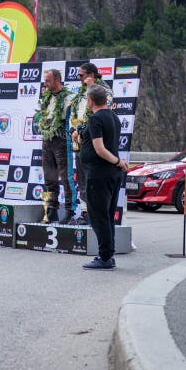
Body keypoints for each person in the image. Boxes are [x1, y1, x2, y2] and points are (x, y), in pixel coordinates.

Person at [75, 84, 128, 269]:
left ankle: (104, 257)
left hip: (99, 175)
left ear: (90, 101)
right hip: (111, 175)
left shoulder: (96, 119)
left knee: (99, 217)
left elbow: (100, 149)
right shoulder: (114, 117)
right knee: (107, 216)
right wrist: (81, 136)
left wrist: (117, 161)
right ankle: (108, 255)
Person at [69, 62, 113, 223]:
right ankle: (85, 213)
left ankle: (96, 214)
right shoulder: (80, 93)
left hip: (94, 141)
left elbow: (101, 112)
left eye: (81, 75)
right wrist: (73, 131)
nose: (79, 78)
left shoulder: (104, 90)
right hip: (79, 143)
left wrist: (91, 87)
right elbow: (73, 114)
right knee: (82, 180)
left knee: (93, 180)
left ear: (91, 75)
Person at [37, 69, 74, 224]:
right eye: (45, 80)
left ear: (57, 80)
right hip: (47, 140)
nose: (45, 83)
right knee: (49, 177)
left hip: (61, 140)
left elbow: (70, 120)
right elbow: (43, 117)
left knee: (65, 177)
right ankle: (51, 210)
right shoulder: (46, 97)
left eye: (48, 80)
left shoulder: (68, 98)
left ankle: (69, 210)